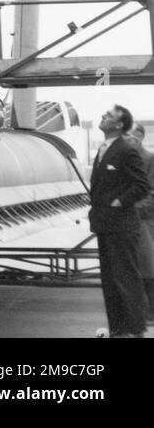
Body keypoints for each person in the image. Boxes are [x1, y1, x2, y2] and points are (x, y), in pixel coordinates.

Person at [90, 105, 152, 337]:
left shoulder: (126, 149)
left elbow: (142, 185)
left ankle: (135, 329)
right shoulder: (105, 148)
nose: (103, 116)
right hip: (105, 224)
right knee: (110, 281)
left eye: (108, 116)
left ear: (118, 125)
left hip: (122, 225)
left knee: (125, 278)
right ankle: (118, 329)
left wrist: (119, 201)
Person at [130, 124, 154, 311]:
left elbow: (150, 191)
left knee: (148, 263)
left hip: (144, 218)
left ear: (140, 137)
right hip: (133, 218)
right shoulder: (127, 157)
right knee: (139, 263)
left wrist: (137, 209)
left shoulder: (149, 158)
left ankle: (150, 310)